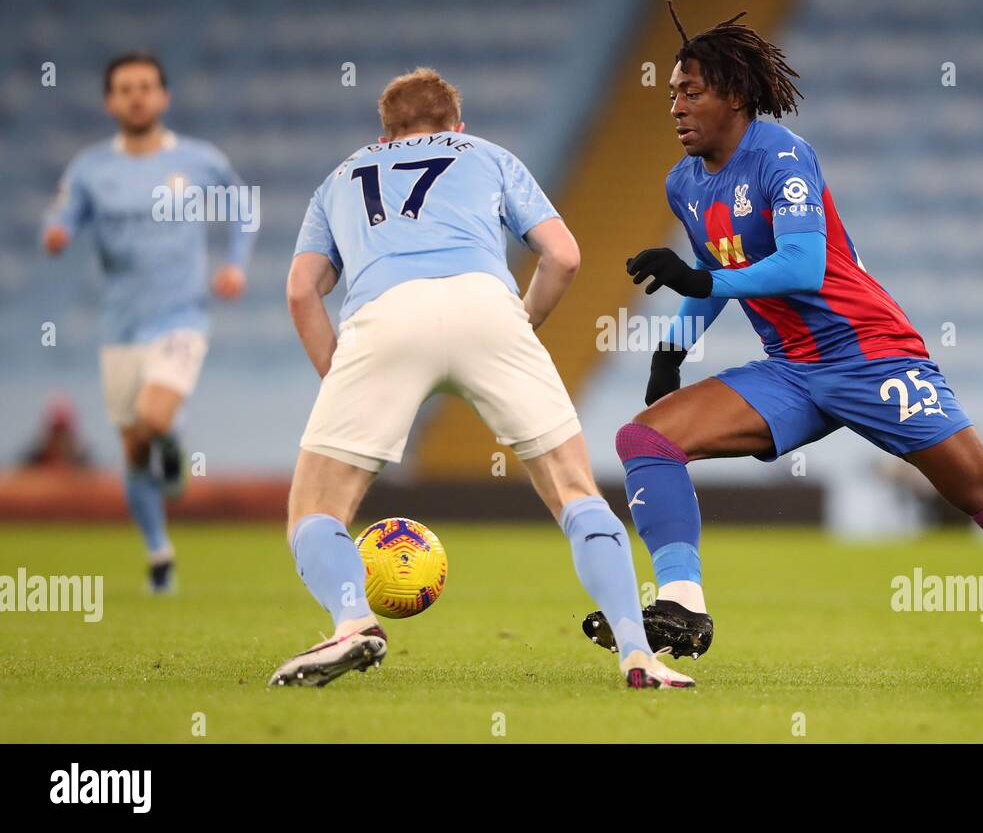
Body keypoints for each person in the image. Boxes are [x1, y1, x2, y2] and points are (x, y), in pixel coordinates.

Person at [582, 5, 983, 685]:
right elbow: (722, 275)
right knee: (646, 441)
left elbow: (802, 265)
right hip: (791, 372)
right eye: (671, 92)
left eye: (690, 91)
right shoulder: (685, 182)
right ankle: (682, 605)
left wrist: (697, 275)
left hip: (872, 355)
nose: (675, 106)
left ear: (735, 94)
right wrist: (672, 351)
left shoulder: (782, 154)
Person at [270, 67, 693, 689]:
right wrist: (522, 323)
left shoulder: (342, 177)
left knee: (315, 508)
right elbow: (564, 255)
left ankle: (353, 623)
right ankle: (636, 651)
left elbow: (302, 290)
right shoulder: (488, 155)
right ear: (456, 127)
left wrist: (340, 375)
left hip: (383, 319)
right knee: (576, 494)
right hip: (487, 307)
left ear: (384, 136)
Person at [41, 51, 253, 593]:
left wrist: (234, 265)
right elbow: (61, 213)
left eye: (146, 86)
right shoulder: (92, 169)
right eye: (125, 88)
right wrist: (57, 233)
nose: (136, 96)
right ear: (110, 101)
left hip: (181, 317)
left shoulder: (198, 160)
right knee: (132, 451)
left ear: (164, 97)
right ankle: (160, 555)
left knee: (155, 418)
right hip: (119, 328)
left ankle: (171, 444)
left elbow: (242, 208)